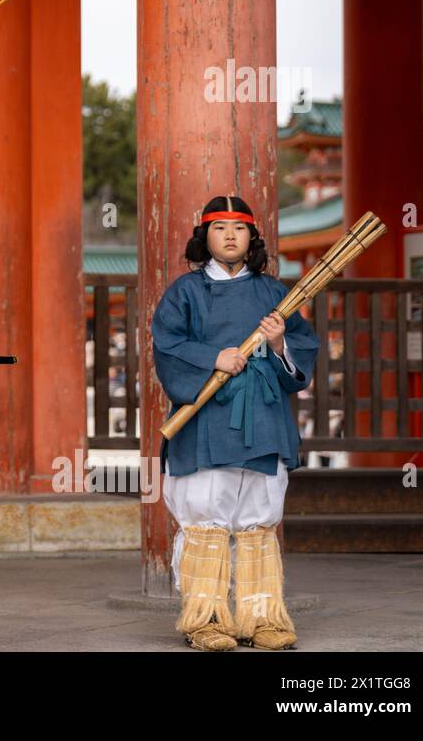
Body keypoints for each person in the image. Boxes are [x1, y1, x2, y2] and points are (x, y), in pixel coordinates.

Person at [152, 195, 319, 651]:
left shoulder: (273, 293)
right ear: (204, 236)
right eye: (219, 227)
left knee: (258, 520)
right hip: (207, 416)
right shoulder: (184, 292)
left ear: (252, 238)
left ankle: (262, 617)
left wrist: (281, 341)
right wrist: (213, 358)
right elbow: (166, 346)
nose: (229, 235)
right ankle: (205, 619)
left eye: (239, 228)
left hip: (263, 414)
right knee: (206, 517)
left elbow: (304, 349)